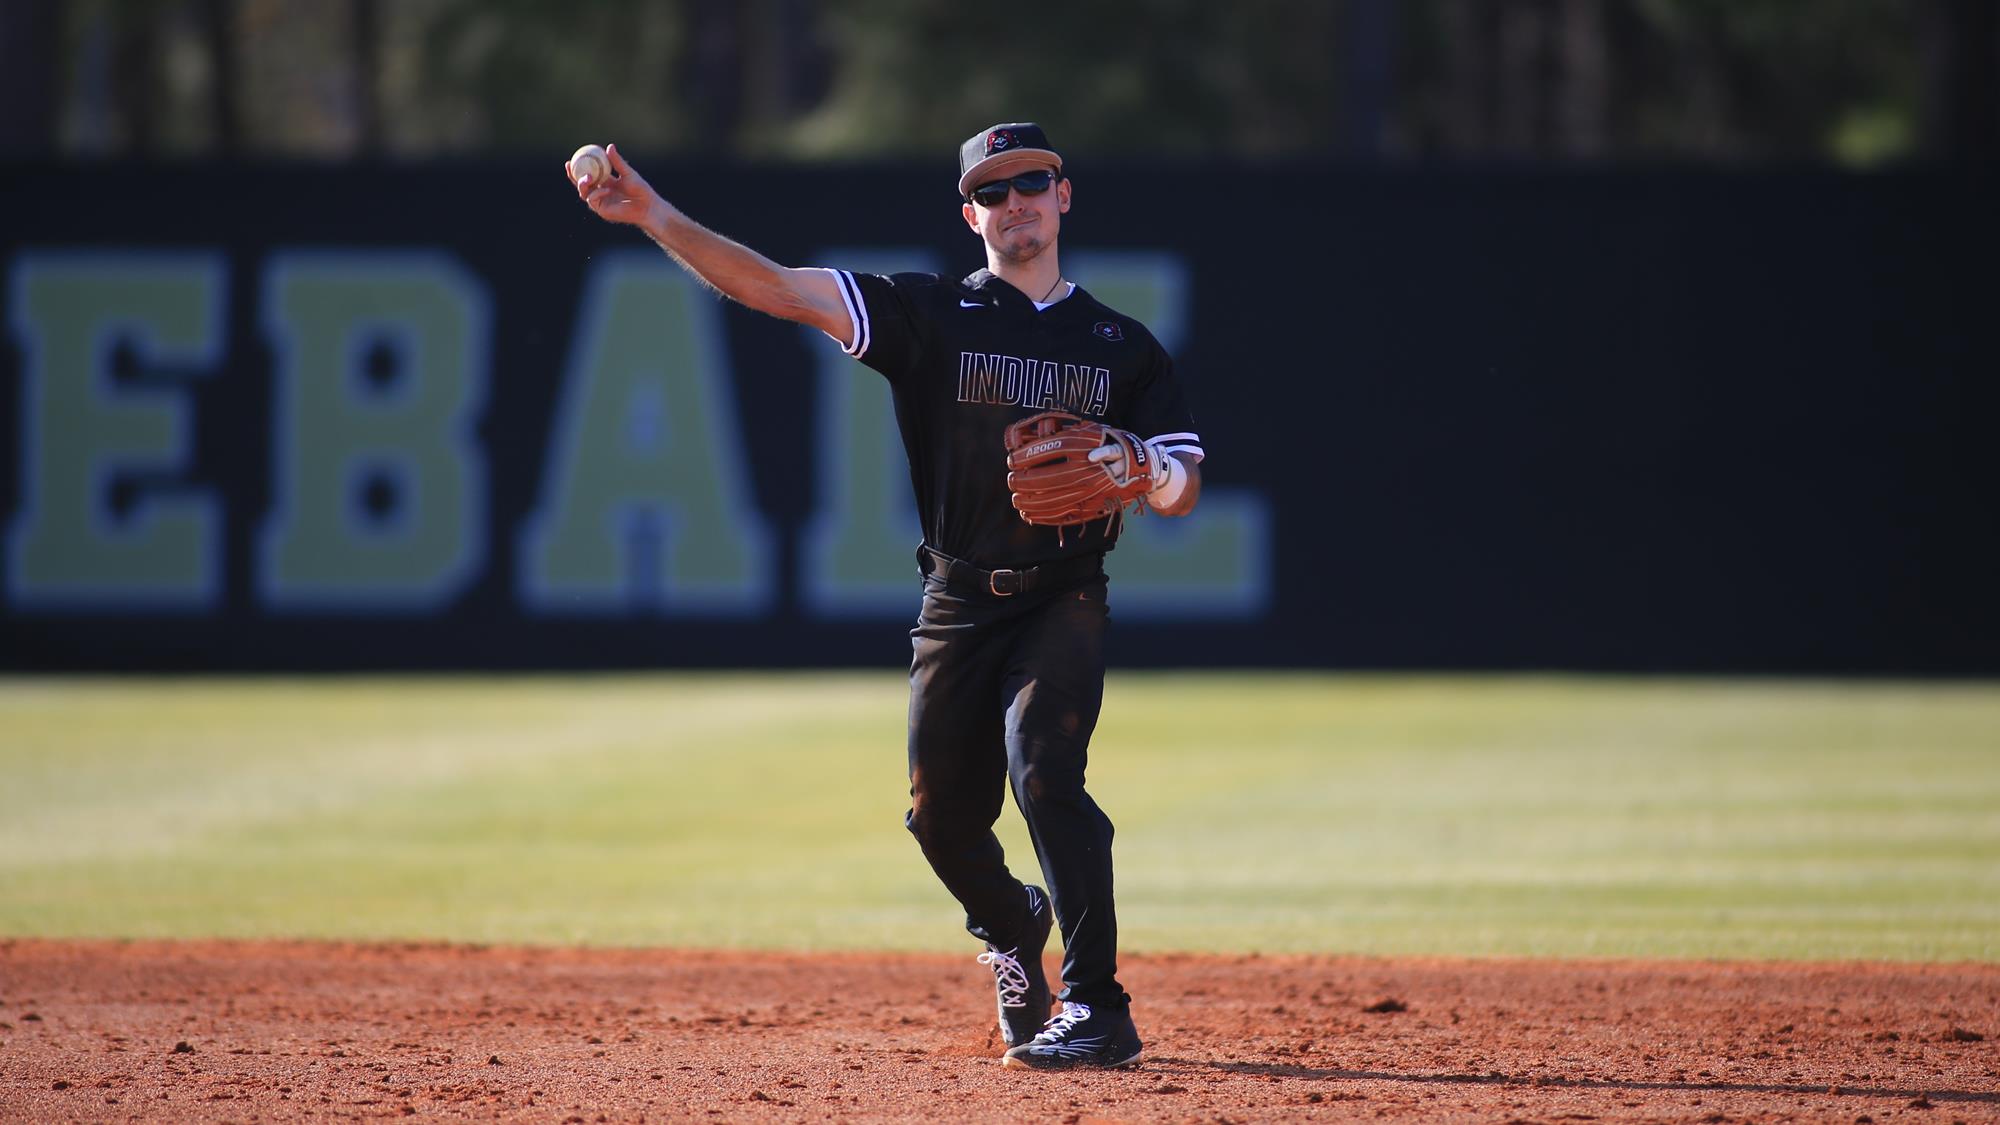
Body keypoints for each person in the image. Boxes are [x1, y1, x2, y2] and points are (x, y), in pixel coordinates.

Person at [569, 122, 1203, 1070]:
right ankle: (1014, 920)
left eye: (1031, 182)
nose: (1014, 202)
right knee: (941, 819)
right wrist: (652, 213)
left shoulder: (1123, 347)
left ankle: (1099, 1006)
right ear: (970, 212)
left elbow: (1185, 487)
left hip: (1064, 591)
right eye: (993, 191)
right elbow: (779, 287)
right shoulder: (930, 313)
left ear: (1062, 194)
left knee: (1046, 771)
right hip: (958, 597)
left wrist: (1139, 461)